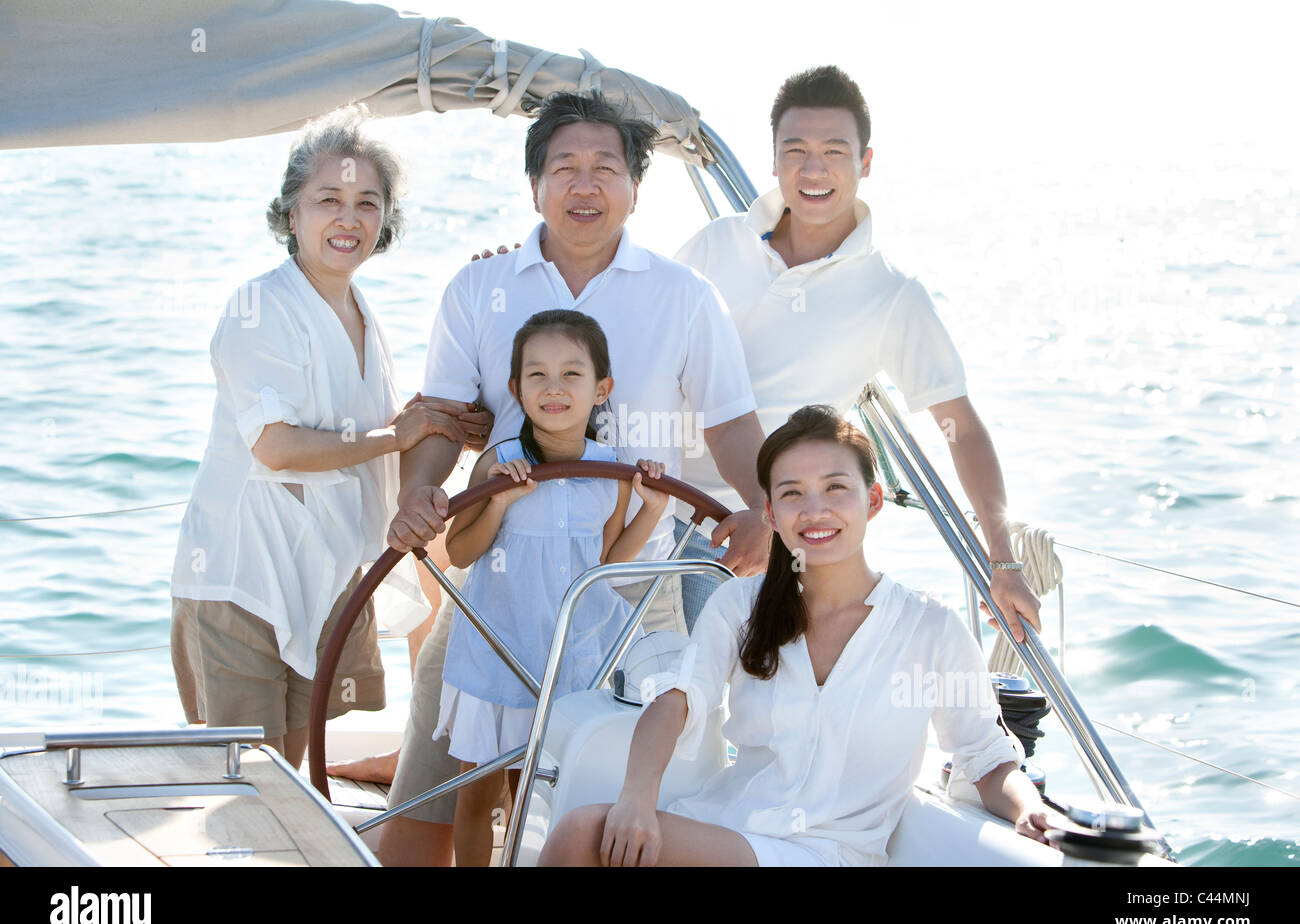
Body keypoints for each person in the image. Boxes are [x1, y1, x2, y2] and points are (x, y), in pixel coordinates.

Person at [379, 90, 768, 866]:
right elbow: (445, 419)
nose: (585, 186)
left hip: (630, 586)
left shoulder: (684, 296)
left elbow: (728, 422)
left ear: (633, 189)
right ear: (534, 187)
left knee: (617, 797)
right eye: (565, 168)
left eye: (605, 168)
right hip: (498, 578)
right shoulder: (478, 288)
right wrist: (419, 492)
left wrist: (760, 504)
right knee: (431, 796)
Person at [540, 405, 1058, 867]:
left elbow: (986, 757)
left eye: (836, 488)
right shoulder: (741, 604)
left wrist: (1030, 809)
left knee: (581, 835)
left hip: (827, 852)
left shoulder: (930, 628)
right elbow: (678, 700)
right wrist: (636, 798)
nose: (814, 511)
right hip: (727, 830)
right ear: (769, 513)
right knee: (595, 831)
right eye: (792, 494)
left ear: (873, 501)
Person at [672, 66, 1043, 643]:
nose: (813, 170)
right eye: (795, 151)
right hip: (641, 507)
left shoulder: (891, 294)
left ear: (865, 163)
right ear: (773, 160)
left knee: (708, 718)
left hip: (747, 537)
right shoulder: (717, 243)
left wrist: (1002, 560)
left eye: (834, 152)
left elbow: (960, 427)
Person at [169, 106, 484, 769]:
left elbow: (389, 426)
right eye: (328, 201)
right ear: (291, 215)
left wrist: (453, 422)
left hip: (322, 580)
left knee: (296, 776)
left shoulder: (362, 312)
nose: (349, 218)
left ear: (384, 221)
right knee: (251, 784)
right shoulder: (260, 308)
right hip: (243, 582)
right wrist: (397, 435)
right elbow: (278, 447)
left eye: (367, 203)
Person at [438, 309, 670, 866]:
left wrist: (652, 509)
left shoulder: (610, 470)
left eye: (572, 373)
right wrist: (497, 504)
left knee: (540, 796)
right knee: (480, 794)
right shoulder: (500, 462)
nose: (554, 388)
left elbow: (609, 561)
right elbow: (459, 552)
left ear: (601, 389)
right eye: (536, 375)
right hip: (502, 650)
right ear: (516, 389)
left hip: (574, 657)